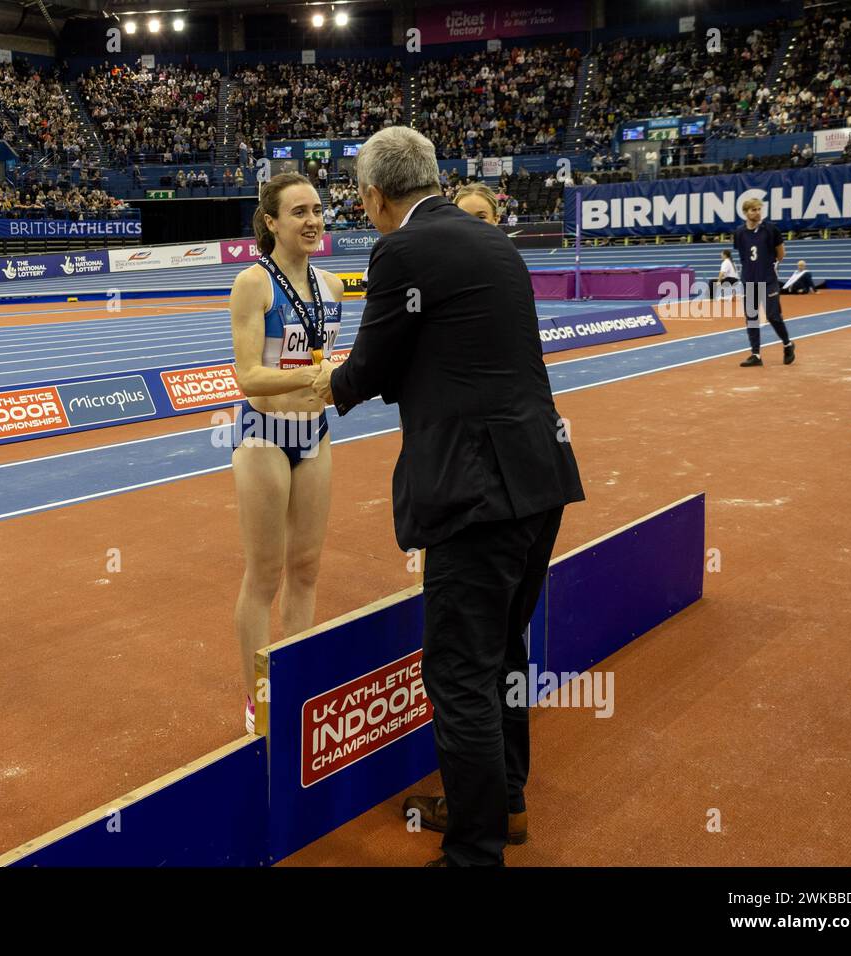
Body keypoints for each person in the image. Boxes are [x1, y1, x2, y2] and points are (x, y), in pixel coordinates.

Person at [312, 127, 584, 867]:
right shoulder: (494, 241)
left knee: (460, 673)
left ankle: (474, 853)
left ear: (373, 196)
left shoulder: (400, 249)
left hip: (477, 492)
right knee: (503, 657)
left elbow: (370, 367)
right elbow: (444, 357)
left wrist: (320, 386)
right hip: (539, 478)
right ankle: (505, 804)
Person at [228, 171, 344, 735]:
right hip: (263, 438)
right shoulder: (255, 284)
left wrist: (329, 378)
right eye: (299, 211)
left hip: (315, 434)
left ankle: (294, 681)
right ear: (271, 222)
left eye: (317, 209)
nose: (313, 220)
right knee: (266, 573)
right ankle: (259, 695)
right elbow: (247, 376)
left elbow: (326, 362)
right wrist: (315, 375)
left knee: (307, 566)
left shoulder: (333, 285)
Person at [733, 197, 795, 366]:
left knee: (773, 316)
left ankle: (788, 344)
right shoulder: (739, 232)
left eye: (759, 209)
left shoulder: (771, 229)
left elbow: (781, 254)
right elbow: (743, 255)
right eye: (753, 210)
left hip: (768, 280)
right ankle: (756, 355)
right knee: (752, 318)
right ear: (745, 212)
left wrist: (770, 265)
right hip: (749, 281)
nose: (757, 212)